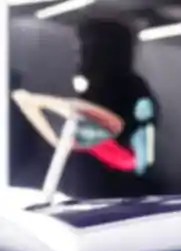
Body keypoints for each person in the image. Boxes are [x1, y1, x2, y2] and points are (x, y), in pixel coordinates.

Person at [62, 17, 161, 198]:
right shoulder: (98, 90)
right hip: (94, 196)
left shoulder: (124, 92)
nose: (77, 58)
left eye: (81, 51)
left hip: (108, 199)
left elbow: (134, 156)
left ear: (98, 52)